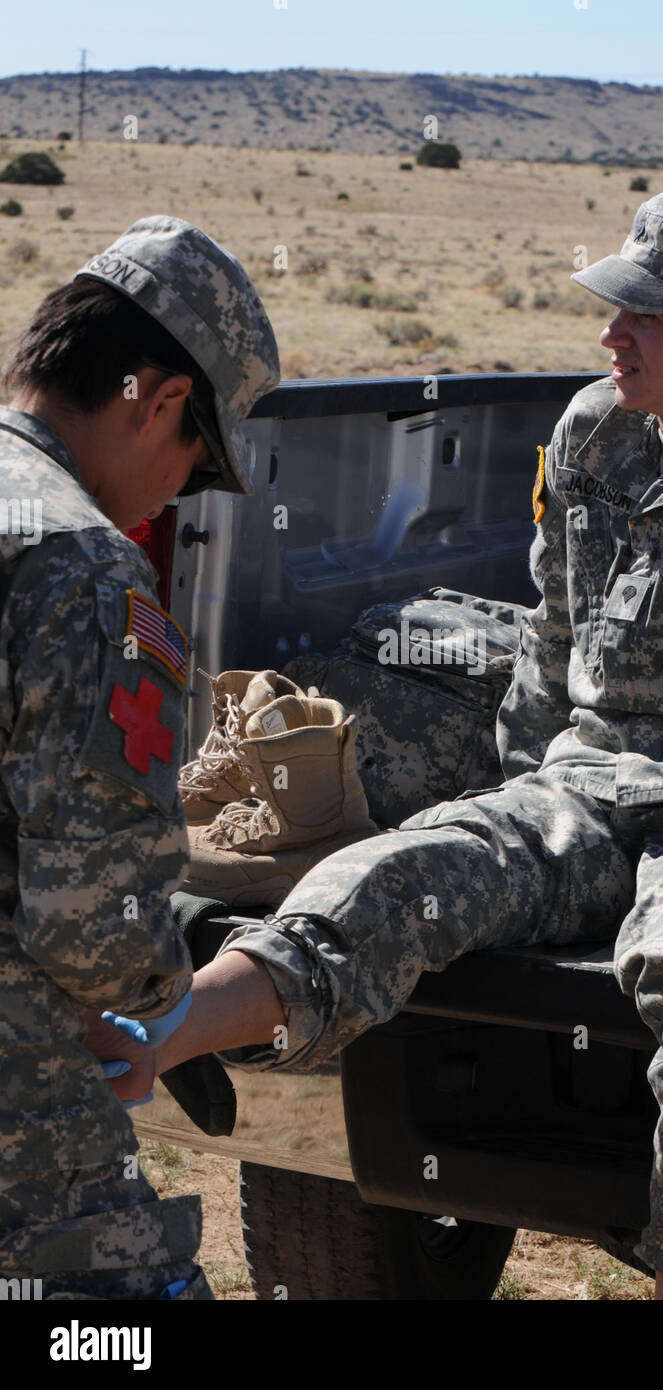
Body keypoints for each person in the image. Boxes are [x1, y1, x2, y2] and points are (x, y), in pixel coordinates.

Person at [105, 190, 663, 1301]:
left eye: (646, 318)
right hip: (583, 781)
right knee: (394, 871)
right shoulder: (588, 438)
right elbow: (548, 648)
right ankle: (155, 1035)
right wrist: (505, 824)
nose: (611, 335)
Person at [0, 215, 279, 1300]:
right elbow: (89, 921)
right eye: (196, 465)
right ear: (159, 400)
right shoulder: (80, 566)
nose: (173, 496)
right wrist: (168, 992)